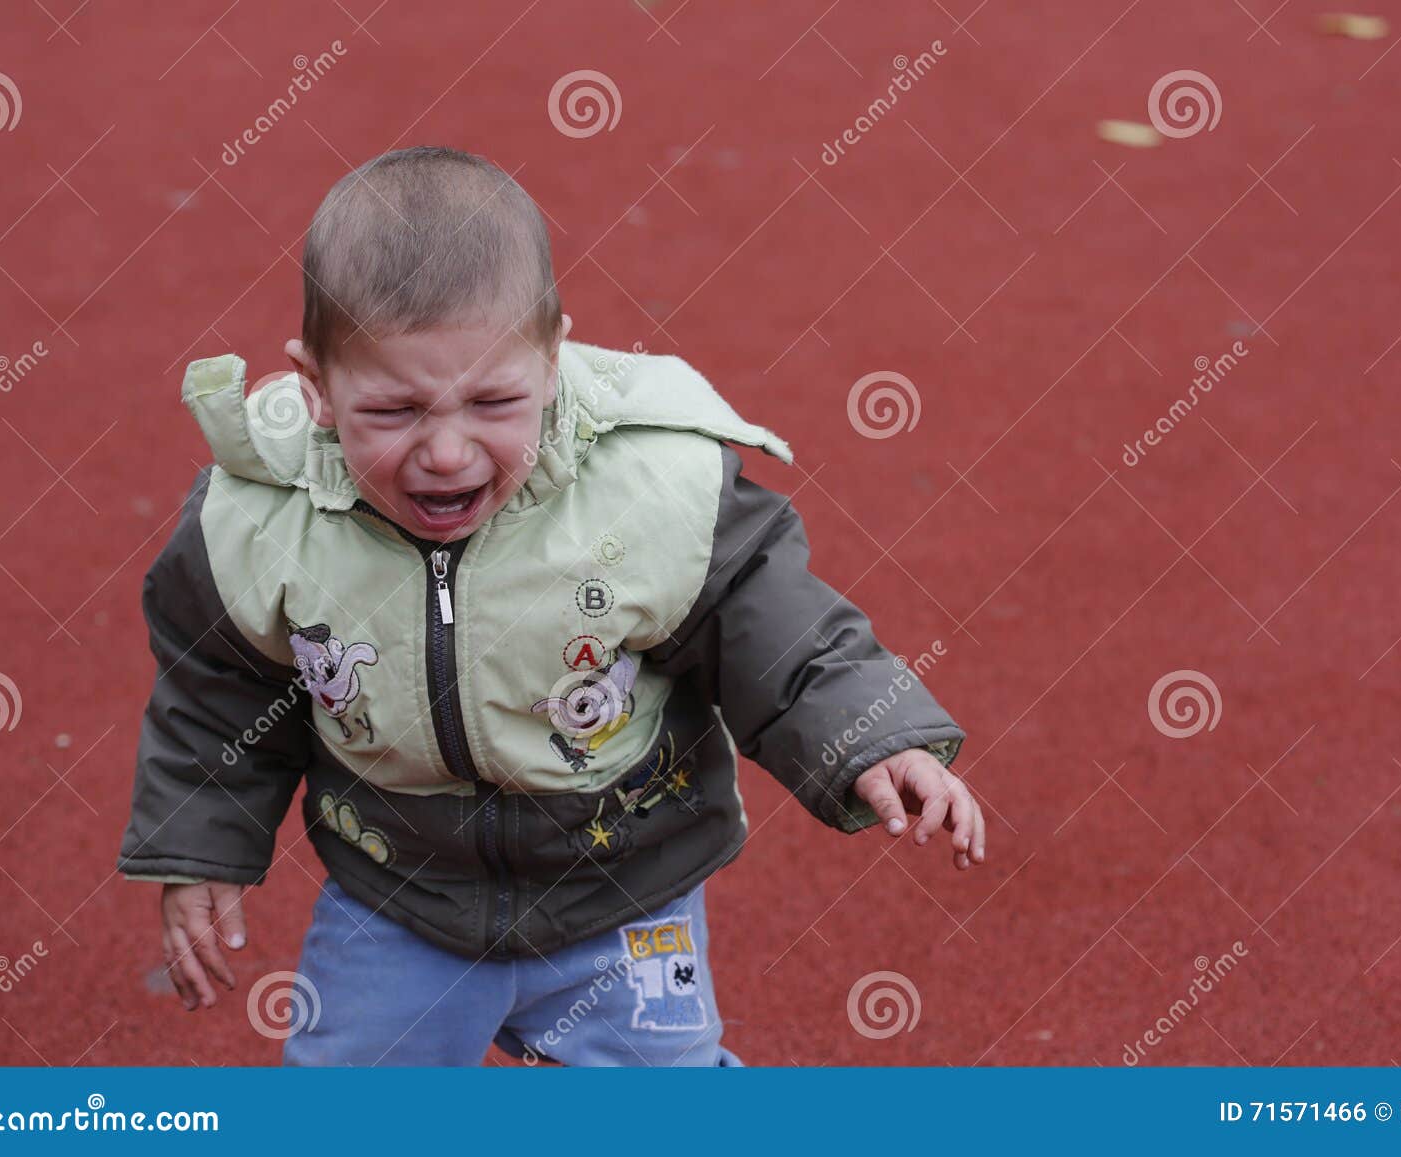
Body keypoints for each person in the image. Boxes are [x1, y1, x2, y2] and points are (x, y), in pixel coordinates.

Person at [116, 146, 982, 1066]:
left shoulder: (648, 492)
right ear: (316, 387)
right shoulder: (263, 523)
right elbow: (219, 692)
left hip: (623, 891)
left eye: (495, 400)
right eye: (395, 411)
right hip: (400, 899)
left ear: (554, 361)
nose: (447, 452)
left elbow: (770, 621)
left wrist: (871, 731)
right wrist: (199, 847)